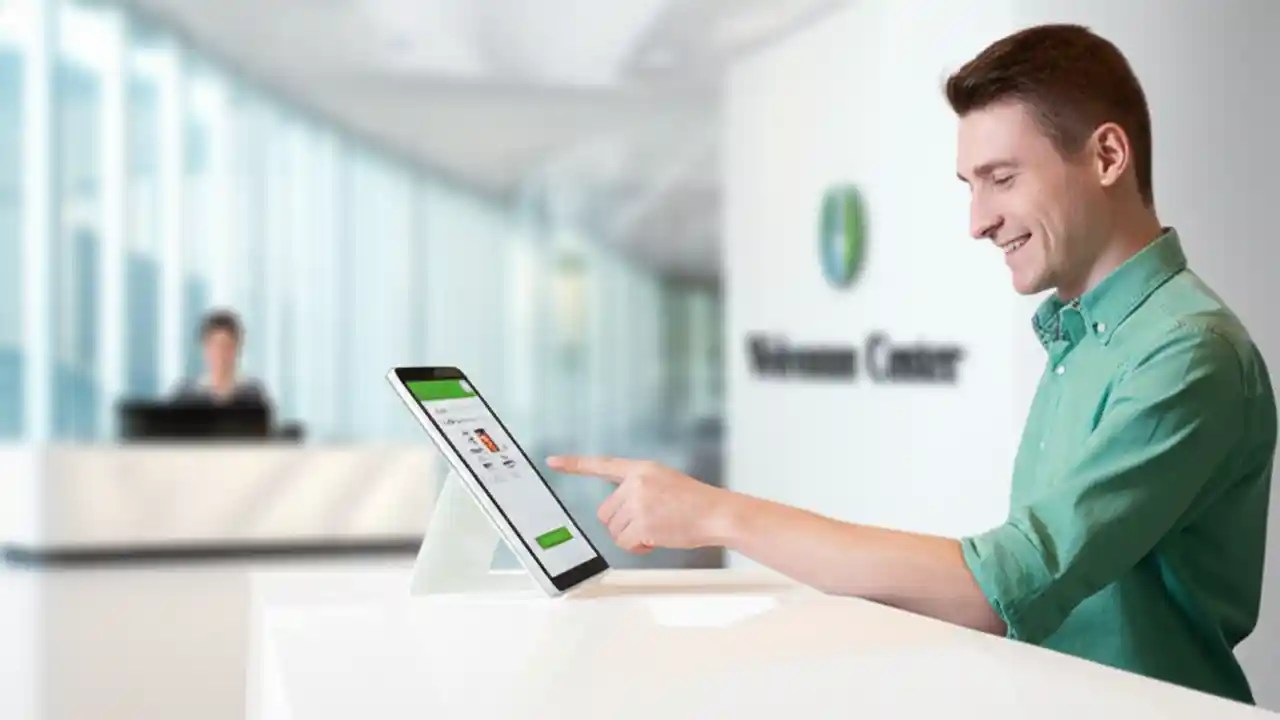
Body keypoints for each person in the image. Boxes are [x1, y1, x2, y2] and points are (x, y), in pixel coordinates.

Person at [547, 24, 1276, 703]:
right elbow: (1018, 598)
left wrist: (716, 514)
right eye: (971, 186)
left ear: (1108, 157)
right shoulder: (1078, 340)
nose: (978, 220)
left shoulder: (1186, 354)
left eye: (1002, 177)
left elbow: (1007, 585)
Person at [173, 309, 269, 405]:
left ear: (238, 348)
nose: (220, 354)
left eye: (227, 346)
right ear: (204, 348)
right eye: (215, 346)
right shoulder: (186, 396)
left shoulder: (252, 395)